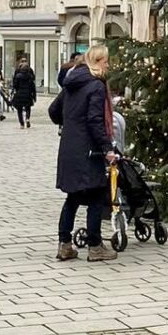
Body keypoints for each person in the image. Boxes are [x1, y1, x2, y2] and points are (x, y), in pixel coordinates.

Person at [49, 49, 117, 262]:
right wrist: (107, 149)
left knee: (74, 196)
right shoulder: (95, 85)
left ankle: (65, 245)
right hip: (88, 150)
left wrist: (69, 123)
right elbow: (95, 121)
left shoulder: (71, 83)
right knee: (96, 197)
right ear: (96, 62)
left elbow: (53, 110)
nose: (108, 66)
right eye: (106, 61)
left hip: (70, 146)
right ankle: (95, 247)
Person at [10, 56, 37, 129]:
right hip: (28, 94)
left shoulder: (18, 74)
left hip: (19, 93)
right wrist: (34, 96)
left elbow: (15, 85)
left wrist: (15, 89)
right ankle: (27, 118)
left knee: (19, 109)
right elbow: (33, 87)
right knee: (28, 108)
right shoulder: (30, 76)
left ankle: (22, 124)